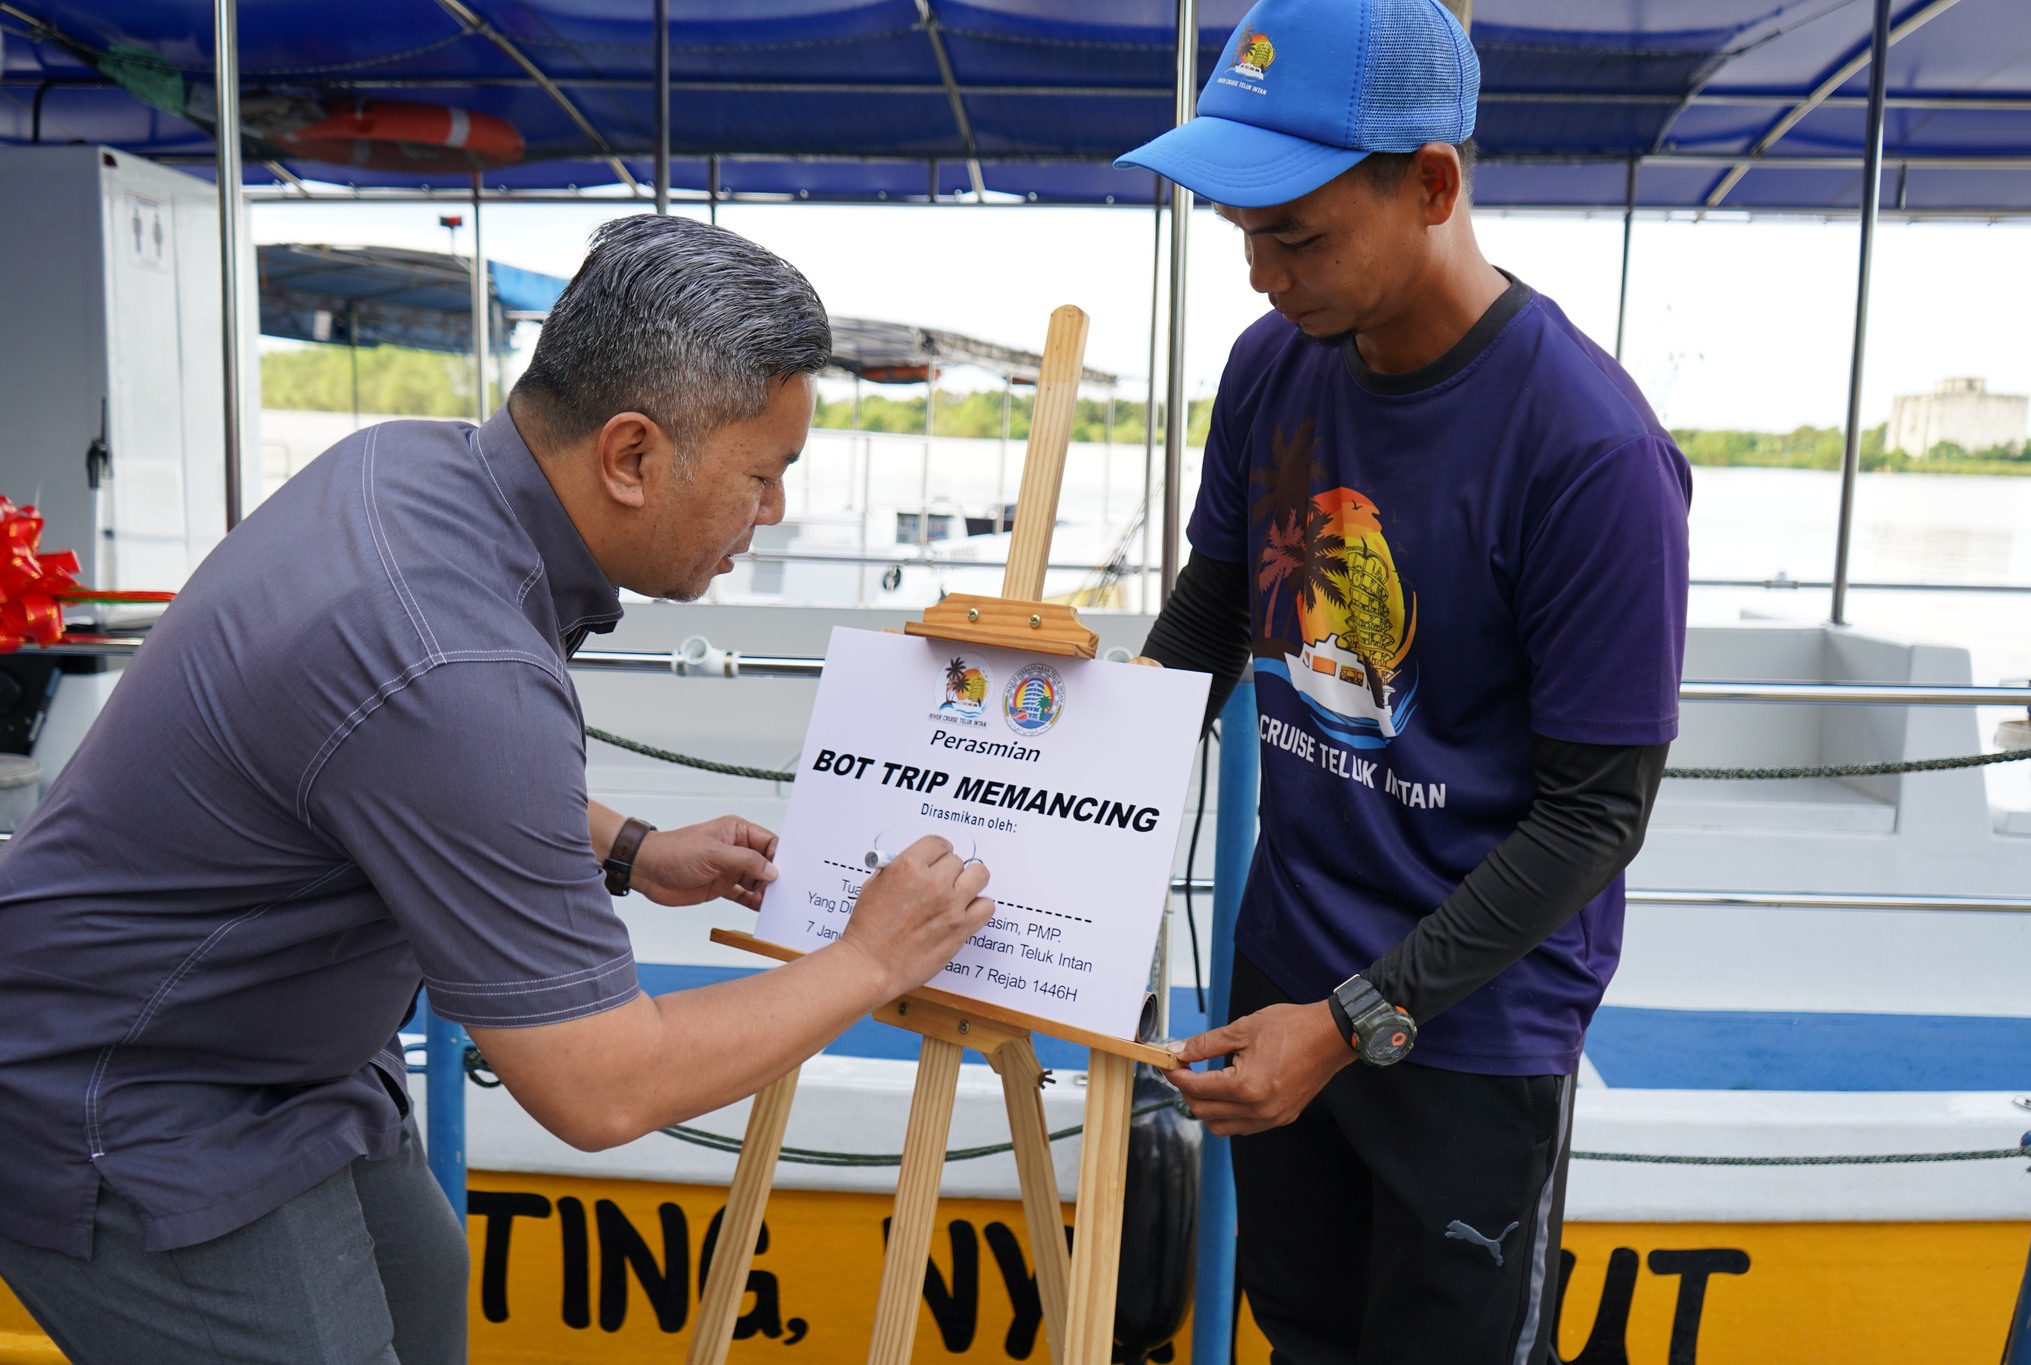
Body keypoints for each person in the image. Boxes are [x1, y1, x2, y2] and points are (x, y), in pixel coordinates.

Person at [0, 215, 995, 1365]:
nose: (769, 514)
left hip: (291, 1051)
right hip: (134, 1086)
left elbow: (385, 769)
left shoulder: (406, 466)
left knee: (428, 1314)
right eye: (763, 476)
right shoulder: (454, 665)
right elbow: (601, 1088)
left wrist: (628, 847)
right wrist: (869, 959)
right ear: (629, 456)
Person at [1116, 1, 1691, 1360]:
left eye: (1296, 232)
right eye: (1241, 232)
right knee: (1299, 1327)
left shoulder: (1592, 453)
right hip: (1282, 970)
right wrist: (1058, 823)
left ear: (1432, 184)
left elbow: (1594, 816)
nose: (1260, 274)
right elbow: (1211, 609)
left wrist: (1356, 1020)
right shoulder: (1274, 372)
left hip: (1468, 1030)